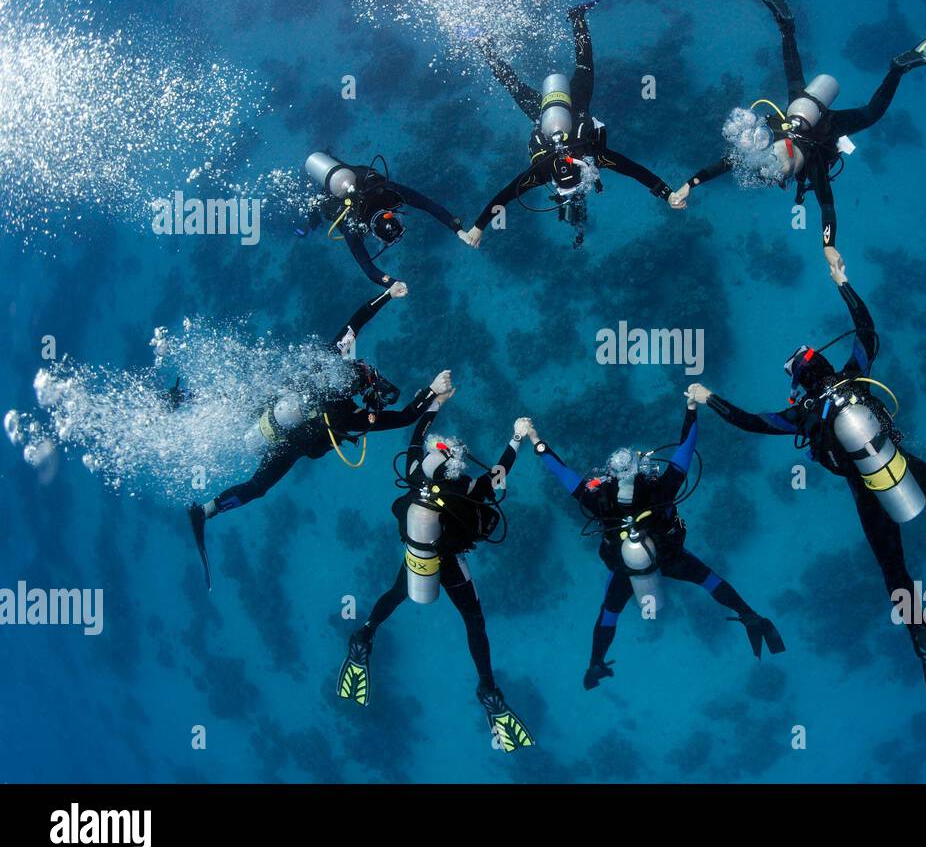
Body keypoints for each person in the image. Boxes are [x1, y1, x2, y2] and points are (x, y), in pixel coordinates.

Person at [687, 250, 926, 718]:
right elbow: (867, 331)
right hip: (902, 467)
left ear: (797, 386)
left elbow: (752, 422)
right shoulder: (853, 377)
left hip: (869, 494)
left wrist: (706, 396)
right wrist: (842, 281)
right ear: (826, 366)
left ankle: (923, 638)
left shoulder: (804, 416)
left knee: (896, 575)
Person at [670, 0, 926, 261]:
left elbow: (827, 206)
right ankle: (786, 26)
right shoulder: (769, 135)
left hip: (828, 126)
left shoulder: (812, 164)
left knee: (871, 114)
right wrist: (688, 185)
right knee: (793, 72)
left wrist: (829, 245)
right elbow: (723, 165)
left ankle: (898, 69)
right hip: (799, 109)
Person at [186, 283, 443, 590]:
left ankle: (188, 398)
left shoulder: (327, 367)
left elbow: (357, 319)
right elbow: (405, 417)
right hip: (284, 448)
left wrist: (387, 295)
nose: (364, 370)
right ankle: (205, 511)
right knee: (257, 487)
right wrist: (431, 392)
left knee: (239, 400)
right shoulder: (349, 418)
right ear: (355, 391)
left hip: (273, 412)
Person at [525, 395, 784, 692]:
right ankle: (749, 615)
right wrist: (690, 408)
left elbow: (561, 472)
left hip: (627, 569)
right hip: (669, 556)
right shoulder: (663, 488)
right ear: (638, 471)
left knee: (609, 614)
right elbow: (687, 447)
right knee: (710, 580)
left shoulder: (597, 499)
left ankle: (596, 662)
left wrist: (535, 440)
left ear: (610, 476)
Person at [336, 381, 535, 752]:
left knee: (397, 593)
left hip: (417, 554)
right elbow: (498, 474)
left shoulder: (415, 474)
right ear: (455, 468)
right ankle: (488, 688)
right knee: (473, 621)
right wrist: (516, 438)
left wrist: (435, 402)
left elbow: (415, 439)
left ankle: (364, 634)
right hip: (448, 563)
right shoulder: (468, 490)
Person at [457, 0, 682, 250]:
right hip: (545, 112)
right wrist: (479, 225)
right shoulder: (546, 171)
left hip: (570, 105)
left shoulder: (591, 157)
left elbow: (633, 170)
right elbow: (506, 195)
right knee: (513, 84)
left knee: (582, 64)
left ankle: (575, 18)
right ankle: (485, 44)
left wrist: (667, 194)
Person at [302, 152, 463, 287]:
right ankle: (310, 223)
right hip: (340, 189)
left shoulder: (388, 194)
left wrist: (391, 283)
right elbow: (367, 267)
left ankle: (327, 157)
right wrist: (457, 229)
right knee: (320, 206)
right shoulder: (356, 223)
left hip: (350, 177)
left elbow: (428, 205)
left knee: (346, 172)